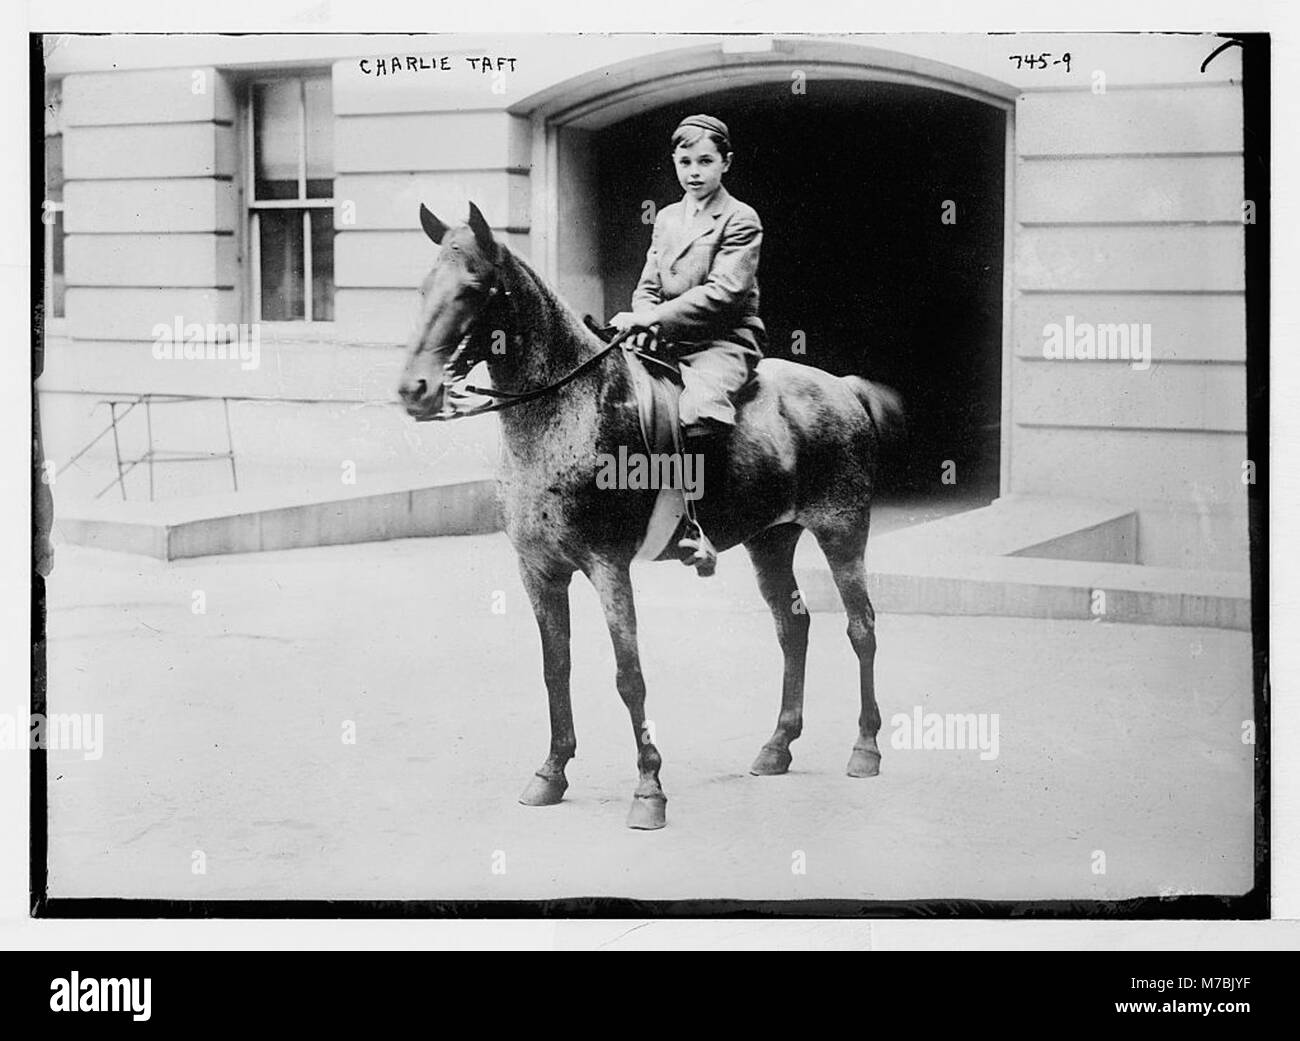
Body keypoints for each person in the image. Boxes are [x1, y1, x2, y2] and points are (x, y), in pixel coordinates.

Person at [610, 113, 766, 577]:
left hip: (723, 339)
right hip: (667, 337)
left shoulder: (740, 217)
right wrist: (643, 319)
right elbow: (648, 282)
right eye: (684, 162)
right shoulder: (668, 217)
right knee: (623, 402)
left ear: (726, 163)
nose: (693, 171)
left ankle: (702, 526)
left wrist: (650, 317)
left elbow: (723, 293)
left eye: (704, 161)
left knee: (698, 408)